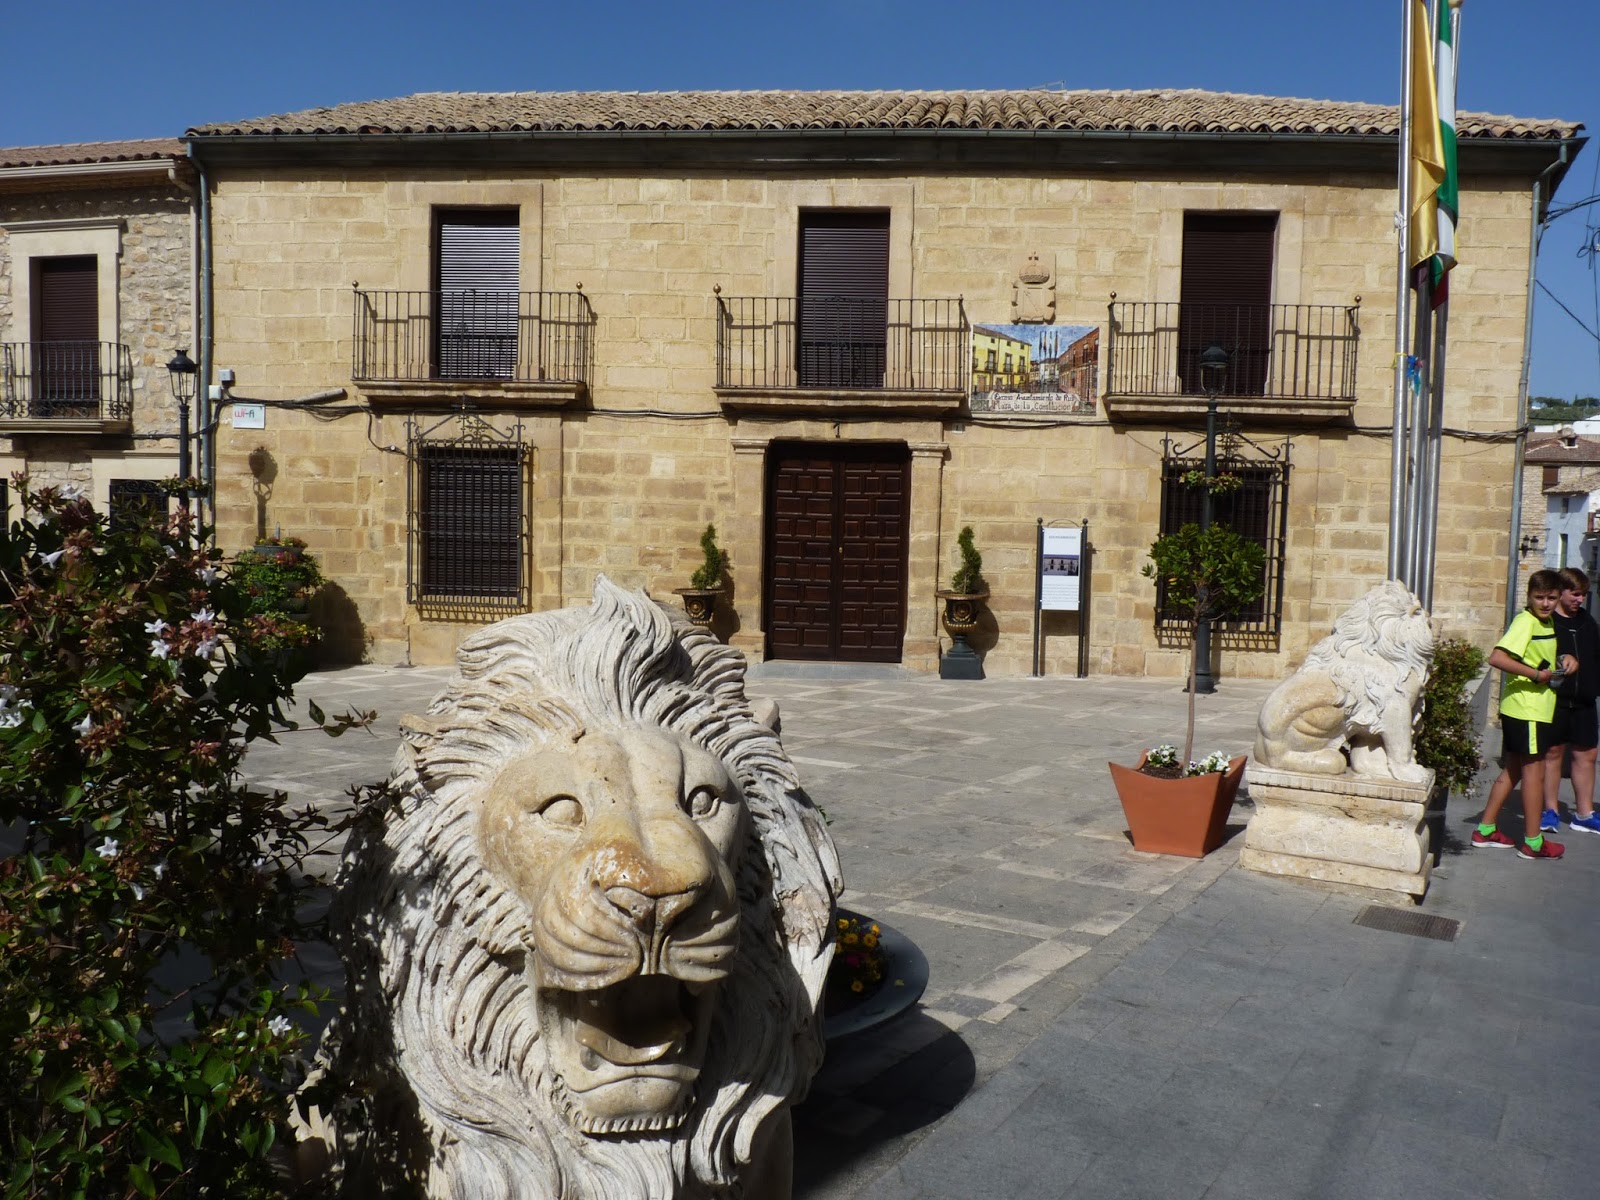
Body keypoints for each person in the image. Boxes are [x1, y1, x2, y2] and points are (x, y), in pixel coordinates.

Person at [1474, 569, 1575, 860]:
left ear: (1557, 599)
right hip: (1527, 709)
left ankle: (1486, 828)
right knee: (1535, 772)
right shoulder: (1526, 621)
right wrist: (1536, 675)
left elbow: (1548, 654)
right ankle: (1533, 843)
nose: (1545, 603)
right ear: (1529, 597)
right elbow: (1497, 657)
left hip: (1533, 710)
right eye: (1539, 598)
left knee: (1515, 769)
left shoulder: (1549, 622)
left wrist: (1568, 660)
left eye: (1551, 598)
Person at [1543, 566, 1600, 835]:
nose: (1580, 599)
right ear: (1561, 592)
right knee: (1553, 754)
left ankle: (1584, 813)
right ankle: (1550, 810)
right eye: (1575, 594)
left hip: (1585, 700)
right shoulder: (1548, 622)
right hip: (1555, 699)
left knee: (1587, 754)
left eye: (1583, 595)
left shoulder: (1588, 623)